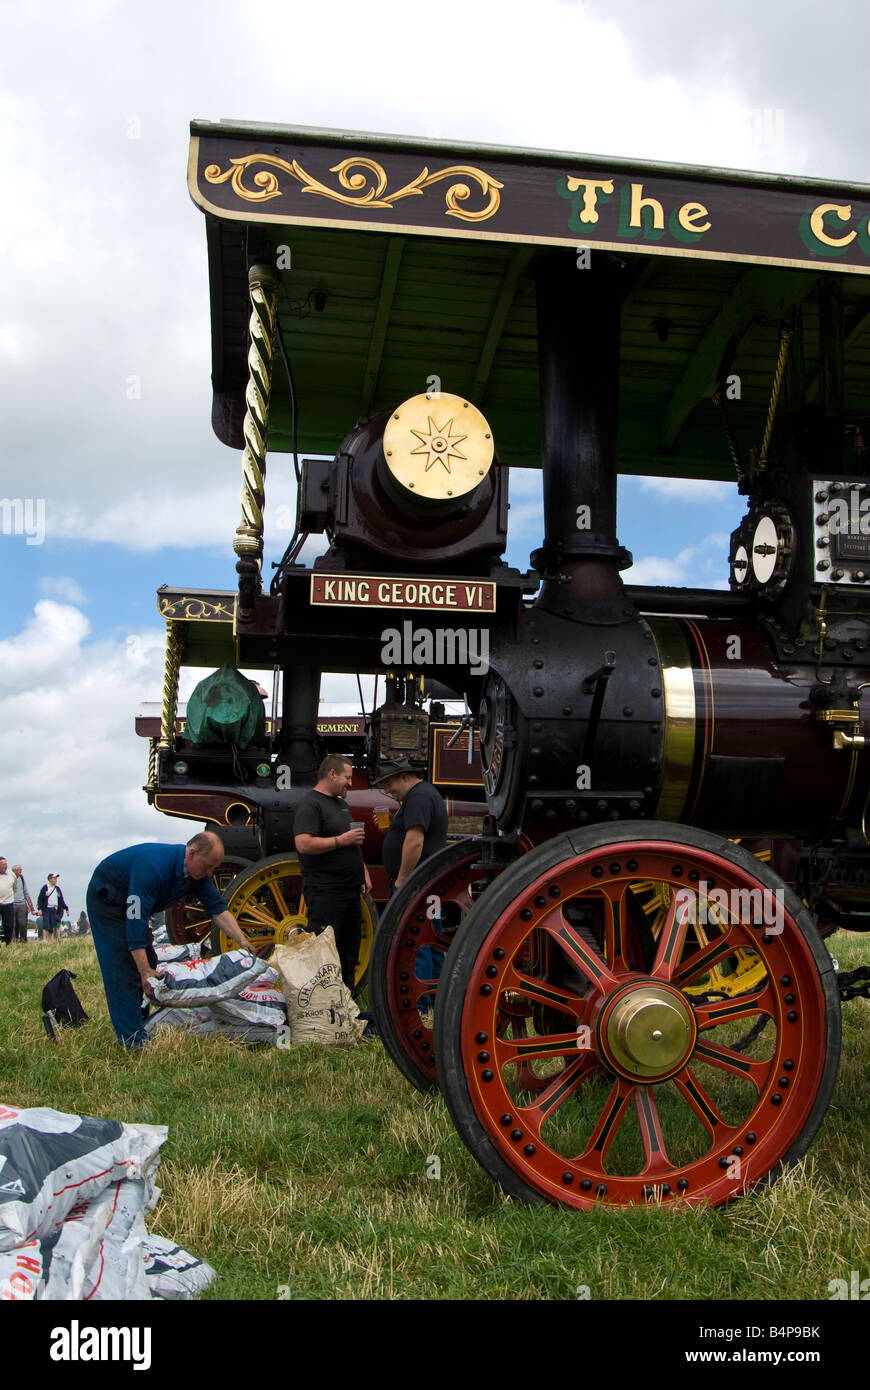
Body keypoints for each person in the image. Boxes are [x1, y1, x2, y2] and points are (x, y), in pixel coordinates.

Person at [86, 831, 255, 1048]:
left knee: (149, 959)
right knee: (123, 966)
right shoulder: (153, 866)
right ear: (192, 854)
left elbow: (217, 910)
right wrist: (144, 971)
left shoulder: (197, 873)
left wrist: (242, 940)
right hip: (109, 901)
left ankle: (140, 1021)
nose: (210, 873)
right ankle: (131, 1040)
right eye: (208, 866)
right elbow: (135, 920)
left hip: (133, 906)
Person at [293, 754, 370, 992]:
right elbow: (303, 844)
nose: (349, 783)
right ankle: (321, 1006)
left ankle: (346, 1003)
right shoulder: (310, 804)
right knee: (324, 951)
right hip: (326, 890)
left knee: (349, 950)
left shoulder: (341, 804)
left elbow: (353, 844)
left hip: (350, 890)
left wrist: (364, 872)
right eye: (347, 777)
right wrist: (341, 840)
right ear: (332, 774)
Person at [373, 759, 448, 889]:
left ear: (404, 778)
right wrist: (392, 828)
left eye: (388, 784)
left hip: (414, 884)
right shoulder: (419, 794)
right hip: (418, 880)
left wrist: (402, 879)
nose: (387, 791)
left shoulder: (419, 797)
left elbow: (415, 842)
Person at [37, 874, 68, 940]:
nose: (55, 880)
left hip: (54, 909)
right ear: (50, 879)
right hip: (46, 908)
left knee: (52, 925)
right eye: (54, 878)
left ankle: (51, 939)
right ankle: (44, 939)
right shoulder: (45, 888)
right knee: (46, 925)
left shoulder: (57, 889)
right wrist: (39, 909)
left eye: (56, 879)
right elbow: (40, 898)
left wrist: (66, 908)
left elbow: (61, 899)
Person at [11, 866, 34, 942]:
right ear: (14, 871)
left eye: (21, 869)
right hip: (11, 903)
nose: (21, 871)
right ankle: (13, 940)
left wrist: (30, 906)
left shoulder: (22, 879)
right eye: (19, 870)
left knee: (23, 924)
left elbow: (26, 893)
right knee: (12, 924)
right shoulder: (9, 878)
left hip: (21, 903)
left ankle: (23, 939)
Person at [0, 858, 16, 946]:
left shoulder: (11, 874)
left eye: (6, 864)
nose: (5, 866)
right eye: (2, 864)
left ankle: (8, 942)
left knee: (8, 925)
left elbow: (15, 887)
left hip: (8, 903)